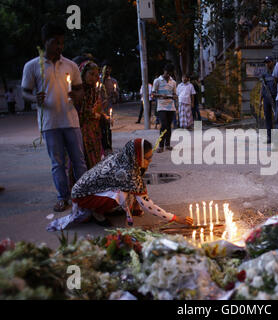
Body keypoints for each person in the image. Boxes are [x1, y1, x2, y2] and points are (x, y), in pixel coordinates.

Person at [46, 139, 193, 231]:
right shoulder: (126, 173)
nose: (149, 162)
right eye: (147, 159)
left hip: (90, 189)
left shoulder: (124, 157)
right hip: (82, 196)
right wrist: (176, 219)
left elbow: (138, 187)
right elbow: (147, 204)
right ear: (137, 157)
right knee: (120, 194)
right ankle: (97, 212)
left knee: (127, 190)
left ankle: (103, 207)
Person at [21, 22, 87, 212]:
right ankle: (63, 197)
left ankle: (83, 195)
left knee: (78, 160)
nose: (59, 46)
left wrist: (77, 95)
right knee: (58, 163)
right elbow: (25, 91)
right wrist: (34, 98)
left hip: (71, 121)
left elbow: (79, 88)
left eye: (61, 43)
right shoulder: (33, 66)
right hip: (50, 123)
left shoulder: (71, 65)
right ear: (45, 42)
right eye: (55, 42)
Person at [75, 60, 107, 169]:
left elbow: (97, 110)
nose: (94, 78)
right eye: (91, 74)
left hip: (93, 131)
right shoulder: (76, 90)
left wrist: (102, 115)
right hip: (79, 130)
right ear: (83, 73)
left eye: (96, 75)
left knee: (94, 161)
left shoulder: (94, 91)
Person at [260, 56, 278, 144]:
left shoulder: (277, 73)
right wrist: (261, 100)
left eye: (268, 62)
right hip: (266, 99)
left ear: (273, 62)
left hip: (276, 98)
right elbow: (262, 88)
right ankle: (270, 137)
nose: (267, 64)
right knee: (268, 118)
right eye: (266, 62)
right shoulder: (264, 75)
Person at [152, 64, 178, 153]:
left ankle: (168, 145)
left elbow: (175, 94)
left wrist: (175, 97)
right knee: (164, 125)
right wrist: (160, 95)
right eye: (167, 72)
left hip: (171, 107)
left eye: (170, 73)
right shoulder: (157, 81)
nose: (168, 75)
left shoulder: (173, 82)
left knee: (169, 126)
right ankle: (160, 145)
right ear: (164, 71)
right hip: (161, 106)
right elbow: (153, 94)